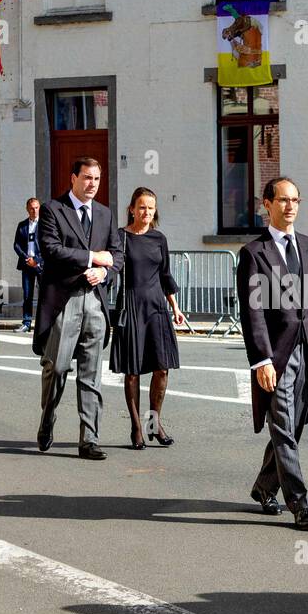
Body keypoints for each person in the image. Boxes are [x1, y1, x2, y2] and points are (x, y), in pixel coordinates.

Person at [236, 176, 308, 532]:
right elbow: (253, 312)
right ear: (267, 204)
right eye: (282, 200)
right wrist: (261, 360)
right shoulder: (253, 253)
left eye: (295, 200)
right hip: (276, 354)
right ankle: (300, 504)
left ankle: (265, 487)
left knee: (294, 425)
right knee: (281, 426)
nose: (290, 206)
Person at [33, 158, 122, 459]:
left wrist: (105, 273)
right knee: (57, 367)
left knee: (91, 373)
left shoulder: (105, 214)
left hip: (95, 301)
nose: (92, 184)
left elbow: (117, 256)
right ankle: (48, 418)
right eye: (86, 177)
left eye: (96, 178)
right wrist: (93, 257)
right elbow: (51, 250)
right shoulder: (53, 210)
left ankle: (89, 439)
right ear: (73, 178)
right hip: (65, 300)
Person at [109, 187, 186, 449]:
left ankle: (154, 423)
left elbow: (165, 275)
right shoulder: (121, 237)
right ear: (131, 209)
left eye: (151, 208)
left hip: (156, 307)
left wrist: (175, 307)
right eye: (142, 207)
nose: (146, 212)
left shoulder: (159, 239)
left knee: (161, 368)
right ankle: (136, 427)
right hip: (132, 306)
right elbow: (112, 268)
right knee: (132, 372)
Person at [13, 198, 43, 332]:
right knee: (27, 295)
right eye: (31, 208)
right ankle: (26, 322)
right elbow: (16, 245)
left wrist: (36, 259)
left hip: (41, 265)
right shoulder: (22, 225)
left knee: (44, 294)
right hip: (26, 264)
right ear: (27, 209)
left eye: (36, 208)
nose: (34, 210)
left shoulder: (45, 224)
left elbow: (48, 245)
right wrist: (27, 258)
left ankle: (42, 322)